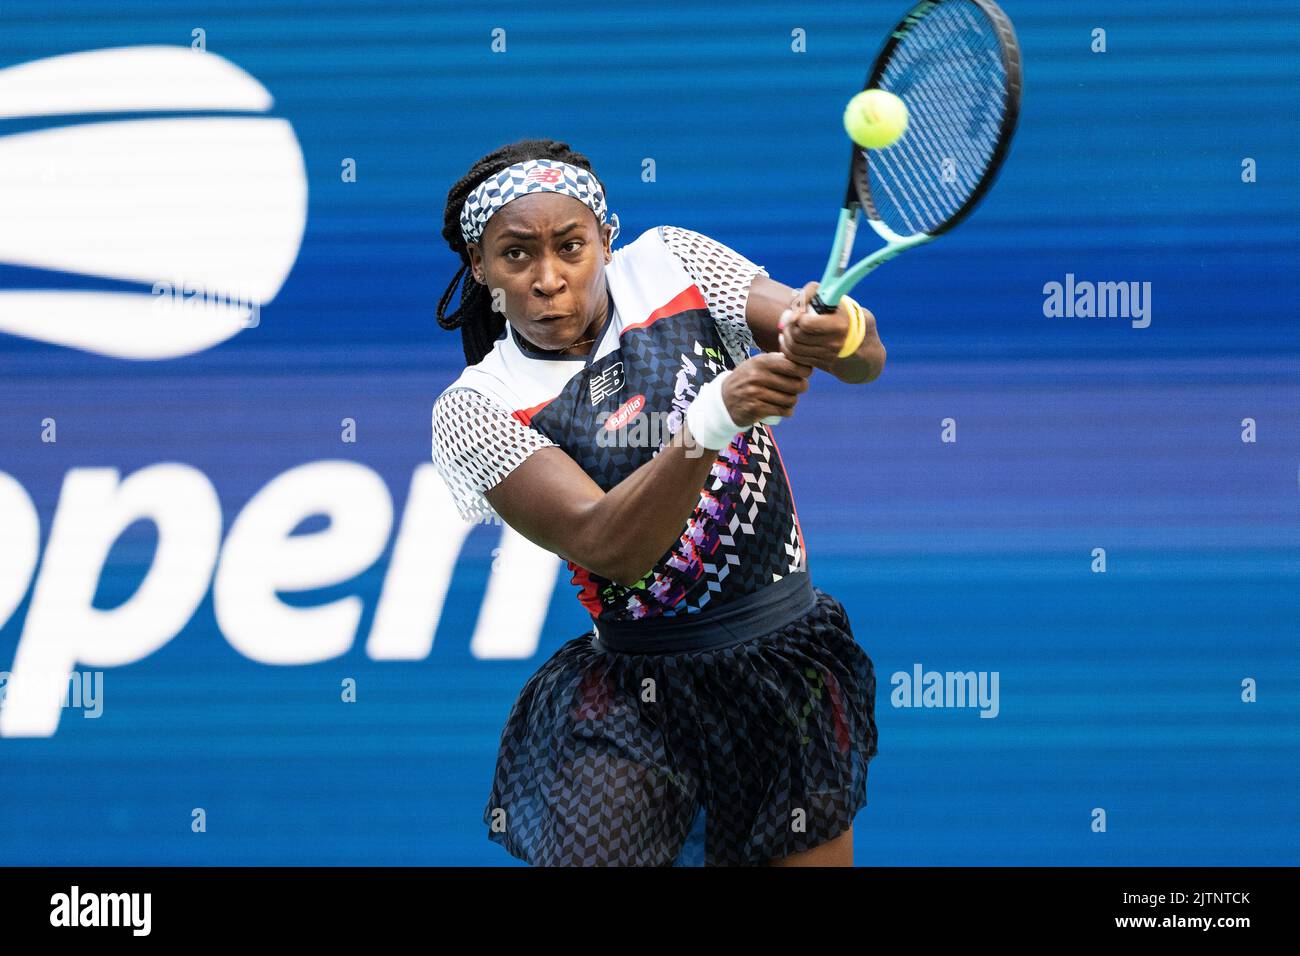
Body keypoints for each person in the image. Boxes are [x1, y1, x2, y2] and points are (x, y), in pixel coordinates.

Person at [430, 138, 885, 866]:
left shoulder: (672, 263)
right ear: (481, 267)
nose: (548, 279)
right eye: (517, 256)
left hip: (783, 667)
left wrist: (839, 330)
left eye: (570, 247)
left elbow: (863, 361)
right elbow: (609, 543)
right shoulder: (479, 407)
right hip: (634, 703)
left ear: (606, 241)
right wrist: (711, 418)